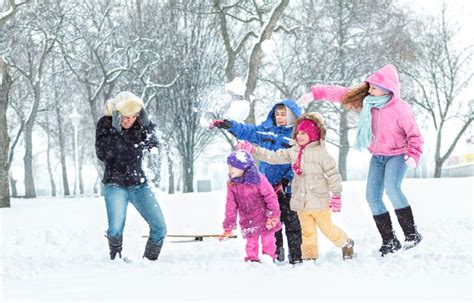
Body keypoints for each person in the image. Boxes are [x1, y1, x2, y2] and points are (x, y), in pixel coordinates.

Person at [297, 64, 423, 256]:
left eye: (374, 87)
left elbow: (414, 135)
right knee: (372, 197)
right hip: (378, 156)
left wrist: (414, 154)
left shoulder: (400, 109)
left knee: (392, 188)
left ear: (388, 88)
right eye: (369, 86)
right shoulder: (368, 103)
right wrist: (316, 93)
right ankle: (390, 241)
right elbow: (342, 94)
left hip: (398, 154)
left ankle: (411, 234)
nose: (369, 90)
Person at [241, 113, 354, 261]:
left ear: (313, 134)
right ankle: (310, 258)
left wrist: (337, 195)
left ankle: (346, 242)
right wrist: (254, 150)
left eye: (304, 133)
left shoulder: (321, 153)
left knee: (328, 230)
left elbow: (333, 174)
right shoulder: (293, 151)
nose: (299, 136)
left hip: (319, 201)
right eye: (298, 133)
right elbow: (273, 156)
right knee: (307, 233)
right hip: (301, 202)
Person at [211, 99, 303, 264]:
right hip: (267, 187)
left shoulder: (297, 136)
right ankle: (276, 252)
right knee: (272, 222)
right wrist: (230, 125)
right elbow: (247, 131)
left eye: (284, 114)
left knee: (291, 222)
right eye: (277, 114)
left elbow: (297, 160)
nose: (280, 117)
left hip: (287, 189)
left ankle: (296, 256)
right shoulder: (266, 130)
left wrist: (288, 180)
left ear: (293, 116)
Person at [95, 91, 167, 261]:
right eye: (126, 117)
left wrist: (148, 126)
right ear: (116, 114)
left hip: (138, 184)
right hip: (114, 184)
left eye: (134, 117)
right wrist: (115, 130)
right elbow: (103, 154)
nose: (129, 121)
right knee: (115, 229)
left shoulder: (139, 125)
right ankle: (116, 260)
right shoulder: (105, 124)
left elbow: (153, 147)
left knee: (160, 228)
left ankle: (149, 262)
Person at [221, 150, 282, 263]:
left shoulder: (258, 179)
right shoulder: (232, 184)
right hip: (248, 218)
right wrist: (229, 225)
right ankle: (252, 259)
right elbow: (231, 205)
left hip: (265, 217)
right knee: (251, 243)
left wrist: (273, 215)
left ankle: (269, 258)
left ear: (243, 167)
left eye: (232, 167)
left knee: (268, 241)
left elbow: (270, 196)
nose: (229, 170)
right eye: (229, 167)